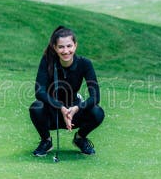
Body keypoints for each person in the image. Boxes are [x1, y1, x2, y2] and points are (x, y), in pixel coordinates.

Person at [29, 26, 105, 156]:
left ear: (75, 45)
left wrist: (77, 108)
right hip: (53, 111)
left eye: (69, 46)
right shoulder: (47, 61)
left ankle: (80, 138)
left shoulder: (85, 63)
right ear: (55, 47)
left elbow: (95, 97)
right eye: (61, 47)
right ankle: (46, 141)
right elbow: (39, 91)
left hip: (74, 110)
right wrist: (60, 107)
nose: (66, 51)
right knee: (36, 107)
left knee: (97, 112)